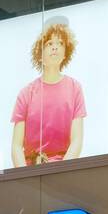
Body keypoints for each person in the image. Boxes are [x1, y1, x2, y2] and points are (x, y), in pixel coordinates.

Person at [11, 16, 86, 166]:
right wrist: (26, 175)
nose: (55, 47)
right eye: (50, 43)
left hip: (62, 168)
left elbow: (77, 140)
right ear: (40, 53)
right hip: (31, 169)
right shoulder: (26, 93)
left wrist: (61, 171)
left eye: (60, 43)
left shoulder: (74, 88)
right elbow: (16, 146)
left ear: (66, 52)